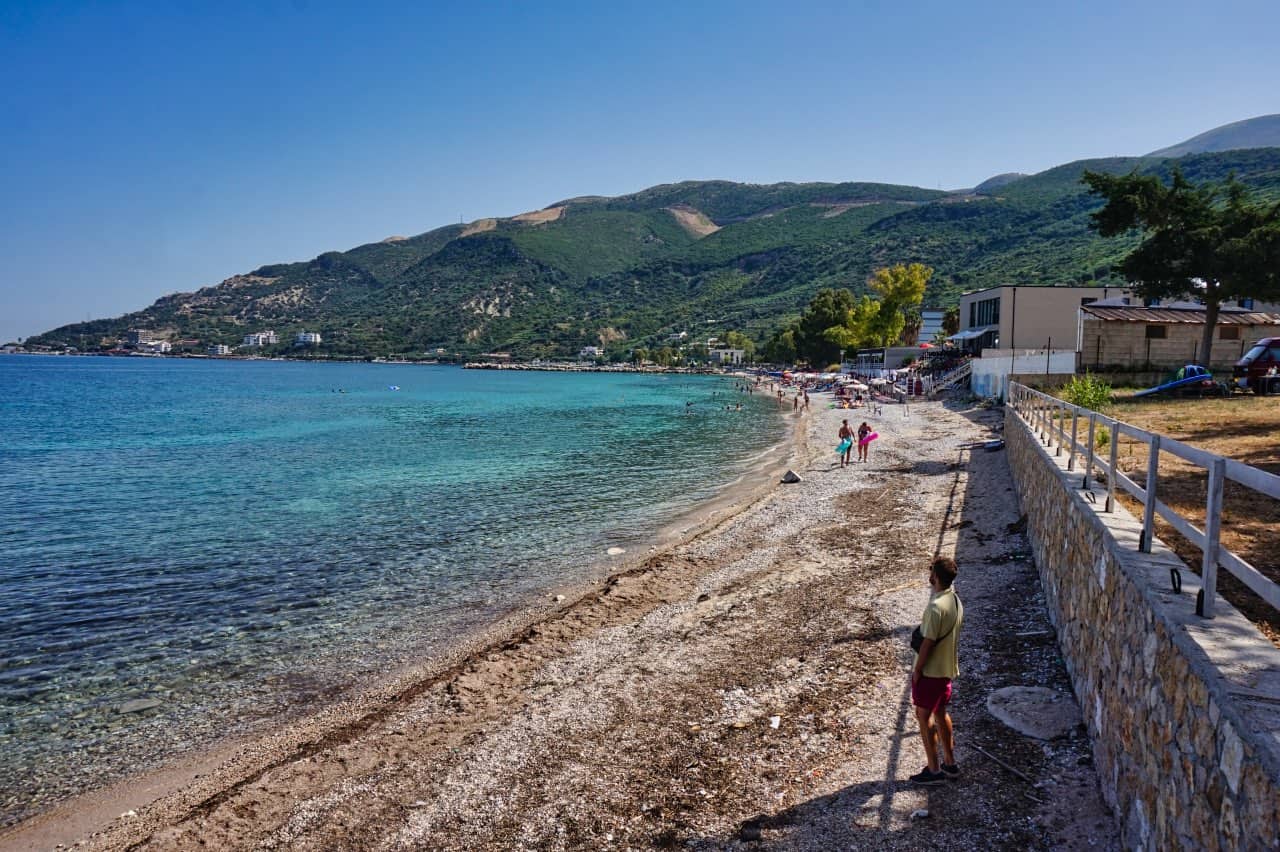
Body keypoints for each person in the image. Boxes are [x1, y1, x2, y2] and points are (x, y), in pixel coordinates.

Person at [910, 556, 964, 785]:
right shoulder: (955, 600)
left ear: (935, 577)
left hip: (931, 672)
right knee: (941, 711)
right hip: (946, 670)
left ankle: (933, 770)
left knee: (923, 716)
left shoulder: (935, 607)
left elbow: (928, 643)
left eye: (931, 572)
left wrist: (917, 671)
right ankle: (950, 763)